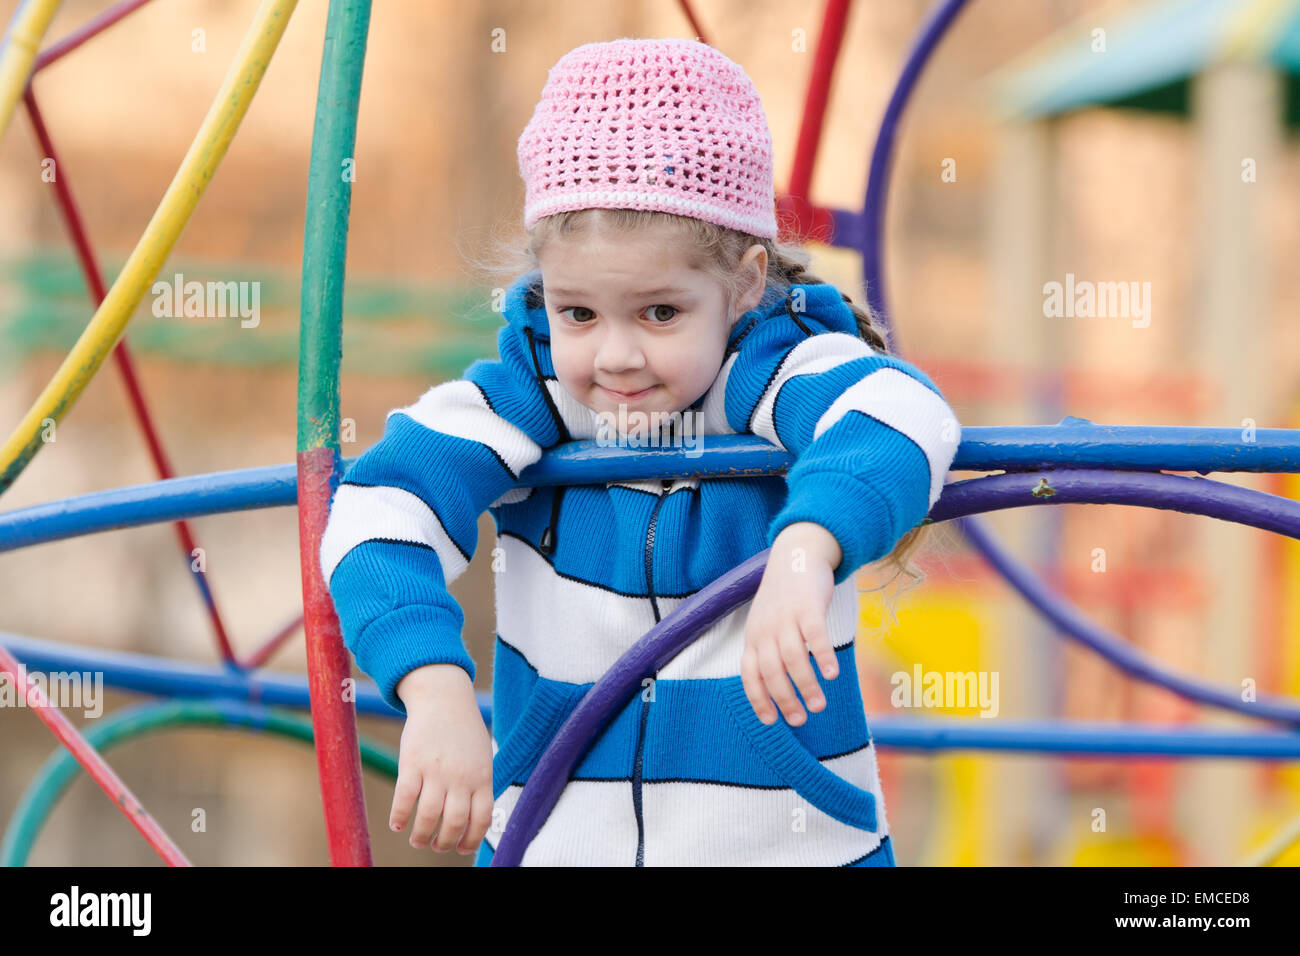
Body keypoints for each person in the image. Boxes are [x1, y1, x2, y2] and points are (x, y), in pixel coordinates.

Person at [320, 36, 962, 866]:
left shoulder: (774, 371)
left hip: (793, 848)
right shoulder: (536, 390)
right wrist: (434, 687)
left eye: (660, 313)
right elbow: (377, 508)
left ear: (742, 284)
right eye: (578, 312)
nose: (615, 355)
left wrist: (805, 550)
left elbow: (902, 411)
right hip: (556, 842)